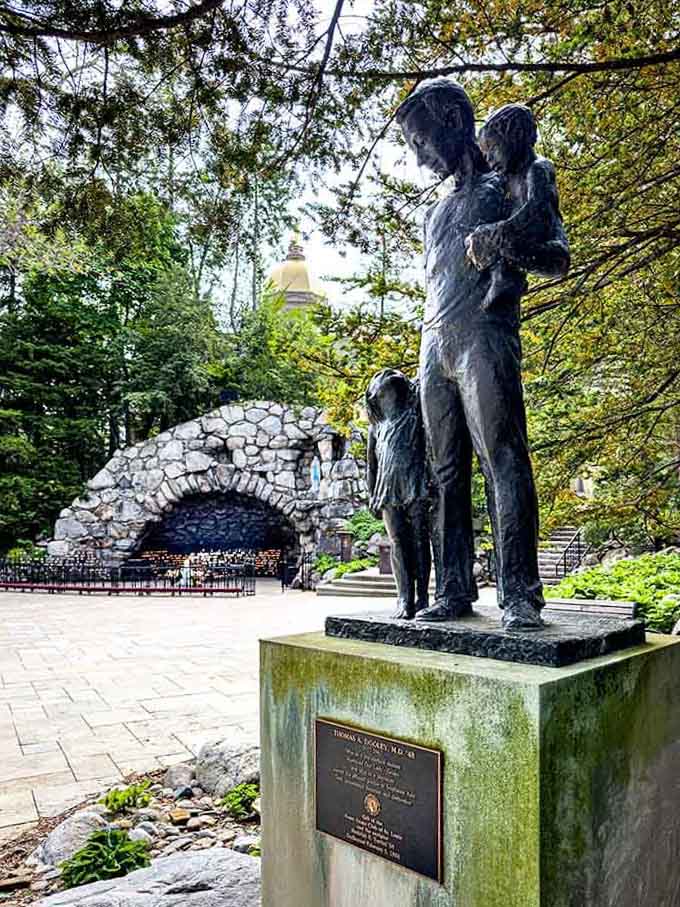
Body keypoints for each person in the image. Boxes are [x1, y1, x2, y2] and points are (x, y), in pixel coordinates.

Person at [396, 79, 569, 630]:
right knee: (445, 471)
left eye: (422, 142)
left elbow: (556, 259)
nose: (419, 159)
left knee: (503, 458)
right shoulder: (434, 213)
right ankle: (452, 588)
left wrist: (502, 243)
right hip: (434, 343)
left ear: (453, 119)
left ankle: (519, 592)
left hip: (485, 337)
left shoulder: (512, 180)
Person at [465, 103, 570, 311]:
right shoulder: (509, 178)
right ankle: (501, 279)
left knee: (500, 242)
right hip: (520, 244)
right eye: (485, 154)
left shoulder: (538, 169)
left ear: (516, 136)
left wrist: (499, 232)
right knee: (490, 242)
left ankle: (506, 282)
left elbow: (536, 212)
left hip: (552, 251)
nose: (489, 159)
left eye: (492, 149)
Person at [366, 368, 432, 620]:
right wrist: (371, 493)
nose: (388, 396)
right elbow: (371, 464)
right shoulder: (376, 428)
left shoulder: (414, 416)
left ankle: (423, 598)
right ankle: (404, 597)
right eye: (383, 393)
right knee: (397, 542)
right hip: (386, 489)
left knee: (418, 540)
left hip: (414, 485)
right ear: (377, 398)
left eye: (392, 390)